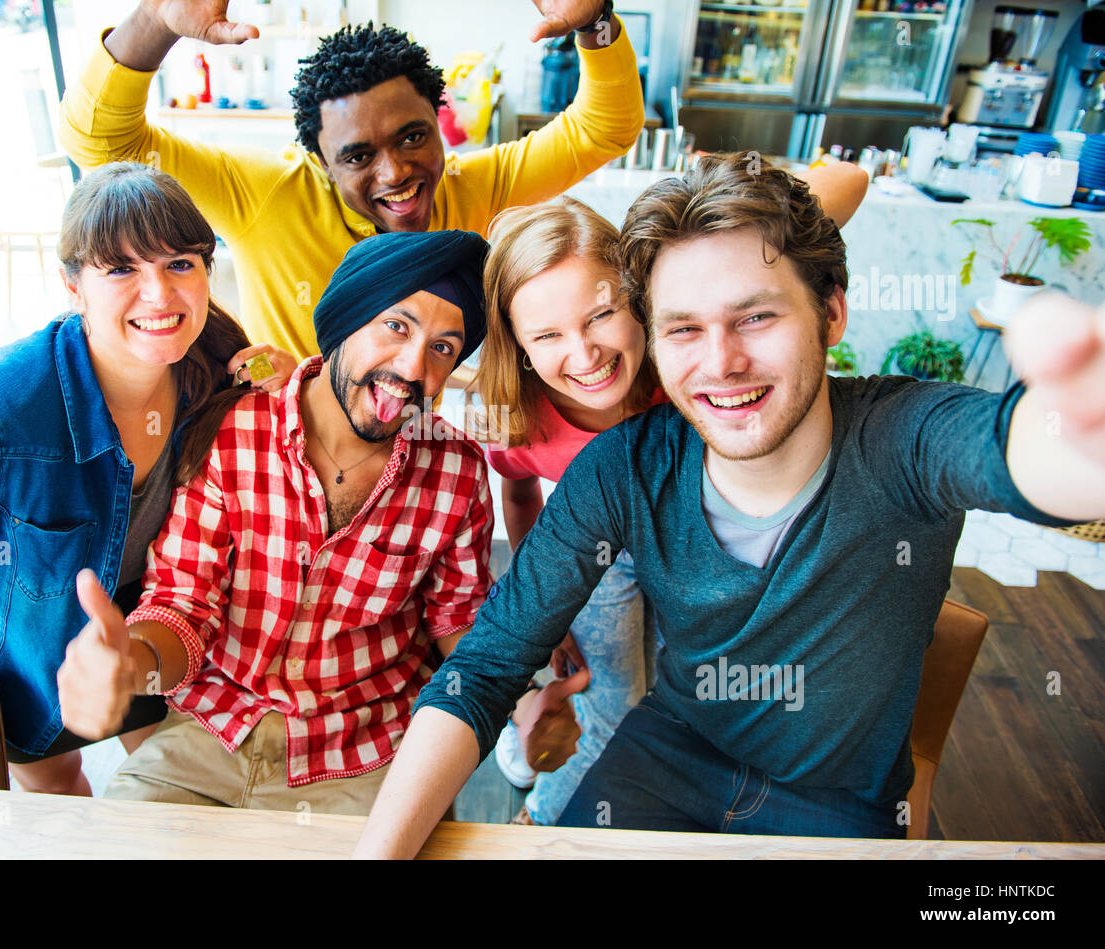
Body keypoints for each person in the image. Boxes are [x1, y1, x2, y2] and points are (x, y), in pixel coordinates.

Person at [352, 151, 1105, 857]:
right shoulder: (622, 466)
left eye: (756, 317)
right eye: (683, 328)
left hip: (835, 804)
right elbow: (482, 668)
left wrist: (1077, 437)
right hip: (663, 761)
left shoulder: (905, 438)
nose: (720, 362)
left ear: (832, 314)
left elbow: (1019, 448)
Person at [0, 161, 294, 860]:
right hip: (13, 654)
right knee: (56, 786)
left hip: (145, 628)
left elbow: (268, 385)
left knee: (178, 789)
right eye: (121, 269)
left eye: (180, 262)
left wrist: (283, 378)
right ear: (72, 284)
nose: (160, 293)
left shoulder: (214, 354)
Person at [478, 164, 868, 825]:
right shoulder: (519, 419)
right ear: (517, 346)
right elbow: (518, 498)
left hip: (696, 546)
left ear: (641, 297)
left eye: (602, 313)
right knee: (615, 697)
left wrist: (730, 230)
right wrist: (554, 598)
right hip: (600, 562)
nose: (585, 353)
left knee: (682, 683)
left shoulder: (684, 361)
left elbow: (850, 180)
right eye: (546, 335)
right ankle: (542, 816)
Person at [55, 230, 496, 814]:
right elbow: (183, 602)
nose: (413, 366)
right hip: (209, 735)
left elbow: (457, 622)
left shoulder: (457, 473)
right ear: (345, 322)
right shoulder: (234, 431)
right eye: (396, 326)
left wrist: (513, 694)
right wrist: (131, 663)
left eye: (443, 348)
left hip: (366, 755)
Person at [58, 0, 646, 360]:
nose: (396, 173)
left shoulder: (474, 186)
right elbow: (100, 141)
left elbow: (605, 128)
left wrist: (595, 21)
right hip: (279, 460)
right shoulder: (269, 194)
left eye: (413, 136)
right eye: (358, 156)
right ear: (319, 161)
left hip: (406, 452)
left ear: (440, 123)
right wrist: (153, 20)